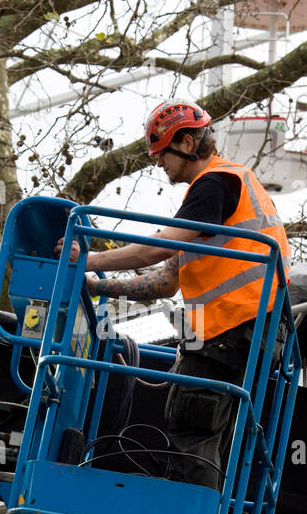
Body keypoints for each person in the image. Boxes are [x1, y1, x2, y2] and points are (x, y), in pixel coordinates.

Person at [57, 98, 290, 490]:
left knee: (191, 429)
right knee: (206, 434)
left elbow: (156, 248)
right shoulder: (217, 201)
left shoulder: (215, 183)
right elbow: (165, 281)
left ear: (184, 143)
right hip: (247, 331)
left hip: (234, 327)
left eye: (160, 151)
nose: (157, 162)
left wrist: (89, 259)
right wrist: (98, 287)